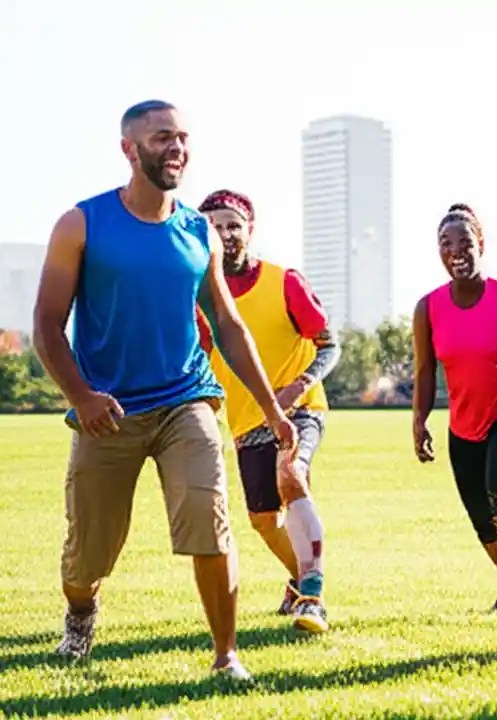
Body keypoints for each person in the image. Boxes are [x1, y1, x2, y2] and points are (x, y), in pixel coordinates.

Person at [31, 100, 296, 681]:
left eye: (181, 138)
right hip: (108, 411)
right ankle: (81, 613)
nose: (175, 148)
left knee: (209, 514)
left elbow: (227, 324)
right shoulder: (83, 224)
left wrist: (275, 410)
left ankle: (226, 656)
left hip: (186, 399)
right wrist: (81, 397)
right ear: (130, 149)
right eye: (160, 138)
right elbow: (47, 324)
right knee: (89, 554)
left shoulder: (197, 229)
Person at [195, 189, 338, 634]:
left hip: (299, 409)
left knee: (291, 474)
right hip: (244, 421)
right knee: (262, 520)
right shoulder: (198, 299)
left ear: (249, 230)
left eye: (233, 225)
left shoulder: (284, 281)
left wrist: (301, 384)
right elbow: (198, 360)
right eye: (214, 228)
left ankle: (313, 597)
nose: (225, 234)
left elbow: (329, 344)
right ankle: (299, 579)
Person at [412, 203, 497, 617]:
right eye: (446, 244)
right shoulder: (428, 307)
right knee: (479, 512)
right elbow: (425, 370)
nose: (456, 251)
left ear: (481, 244)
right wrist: (419, 421)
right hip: (463, 424)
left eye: (464, 242)